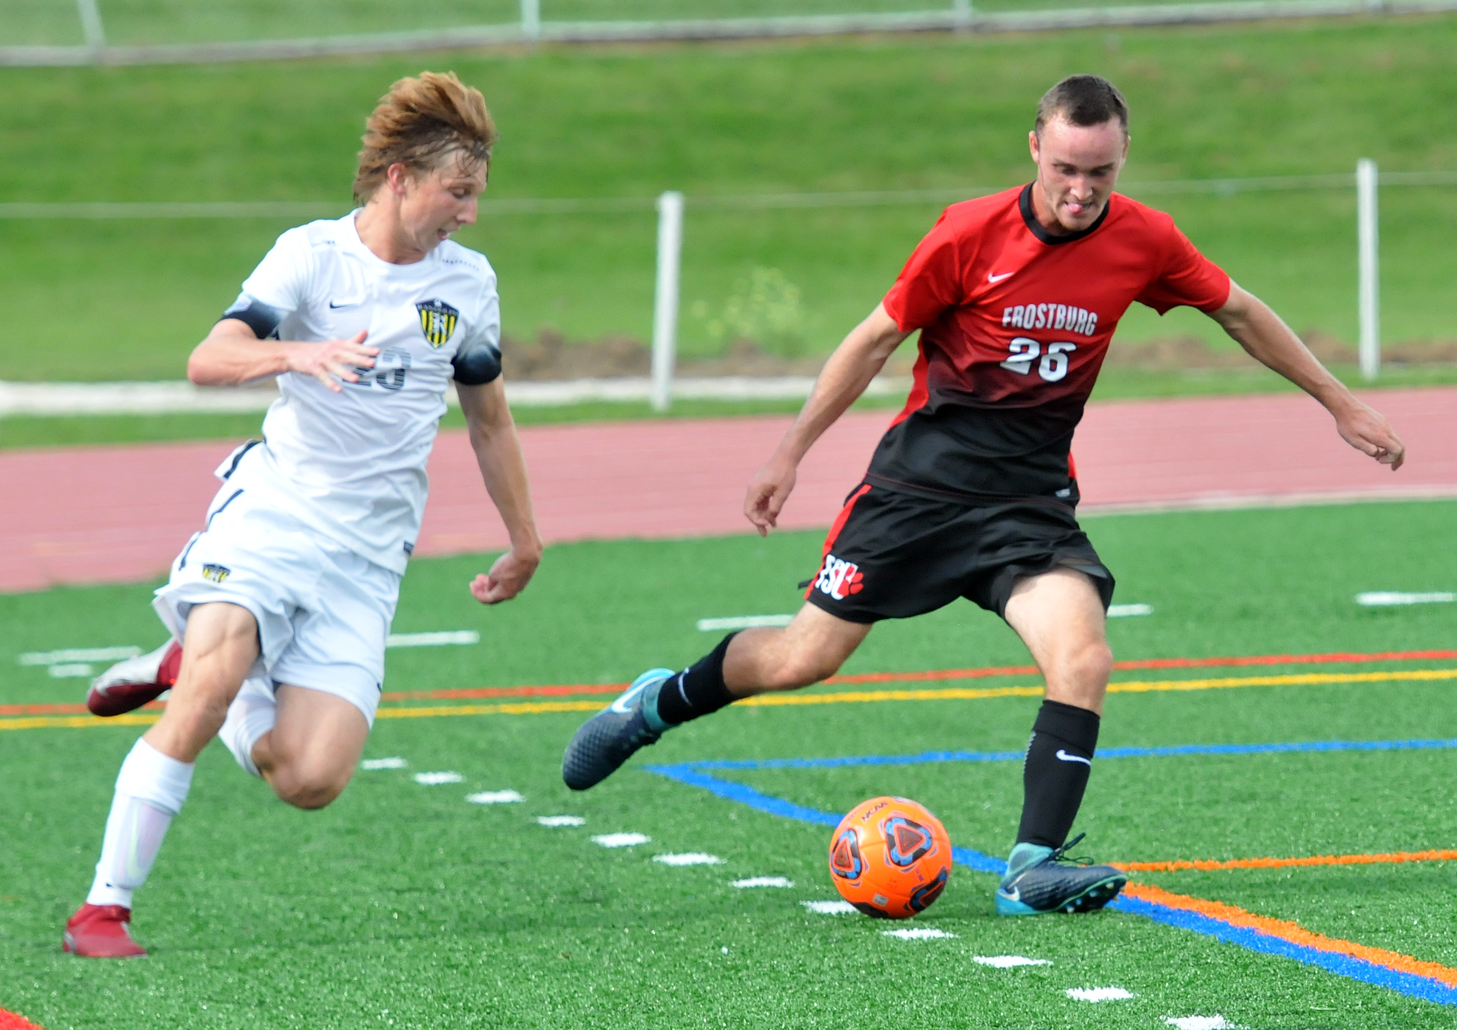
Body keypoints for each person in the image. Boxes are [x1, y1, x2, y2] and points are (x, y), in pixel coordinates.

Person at [561, 74, 1406, 916]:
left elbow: (1241, 313)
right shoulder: (969, 233)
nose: (1081, 191)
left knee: (1084, 657)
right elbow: (873, 340)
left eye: (1101, 173)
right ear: (1035, 145)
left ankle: (1032, 867)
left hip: (1028, 505)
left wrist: (1341, 402)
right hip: (917, 493)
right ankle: (655, 703)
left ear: (1124, 160)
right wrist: (789, 454)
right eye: (1066, 168)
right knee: (801, 659)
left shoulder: (1146, 240)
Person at [61, 72, 543, 957]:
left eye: (477, 194)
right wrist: (300, 353)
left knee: (311, 777)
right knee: (211, 686)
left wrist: (524, 538)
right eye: (458, 192)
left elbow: (488, 417)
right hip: (277, 513)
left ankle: (188, 656)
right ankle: (104, 907)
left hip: (371, 552)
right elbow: (210, 357)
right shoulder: (312, 256)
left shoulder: (469, 285)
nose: (470, 213)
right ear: (400, 177)